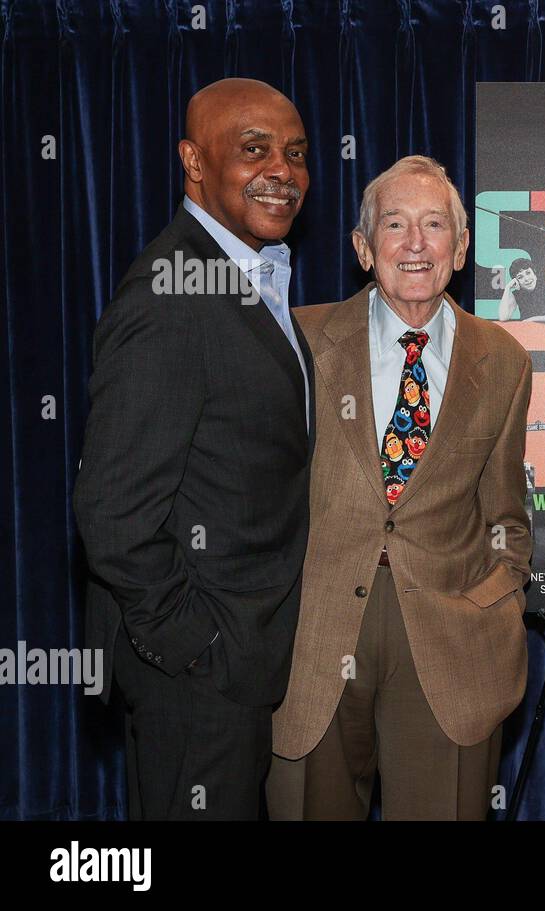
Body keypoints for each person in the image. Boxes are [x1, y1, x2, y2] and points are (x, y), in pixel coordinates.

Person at [73, 77, 312, 819]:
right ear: (193, 160)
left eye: (297, 153)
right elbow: (112, 514)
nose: (283, 170)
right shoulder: (168, 296)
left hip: (238, 667)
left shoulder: (239, 274)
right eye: (253, 150)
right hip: (199, 677)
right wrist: (198, 646)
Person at [266, 156, 533, 820]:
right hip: (311, 639)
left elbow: (506, 512)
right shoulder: (296, 339)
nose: (415, 243)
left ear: (461, 247)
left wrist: (491, 602)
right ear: (363, 248)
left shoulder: (502, 360)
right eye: (394, 224)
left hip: (448, 641)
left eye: (434, 224)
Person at [499, 256, 545, 322]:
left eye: (528, 273)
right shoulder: (517, 294)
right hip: (527, 331)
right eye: (520, 277)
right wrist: (507, 288)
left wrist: (534, 319)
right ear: (517, 282)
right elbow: (503, 317)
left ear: (535, 274)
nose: (526, 279)